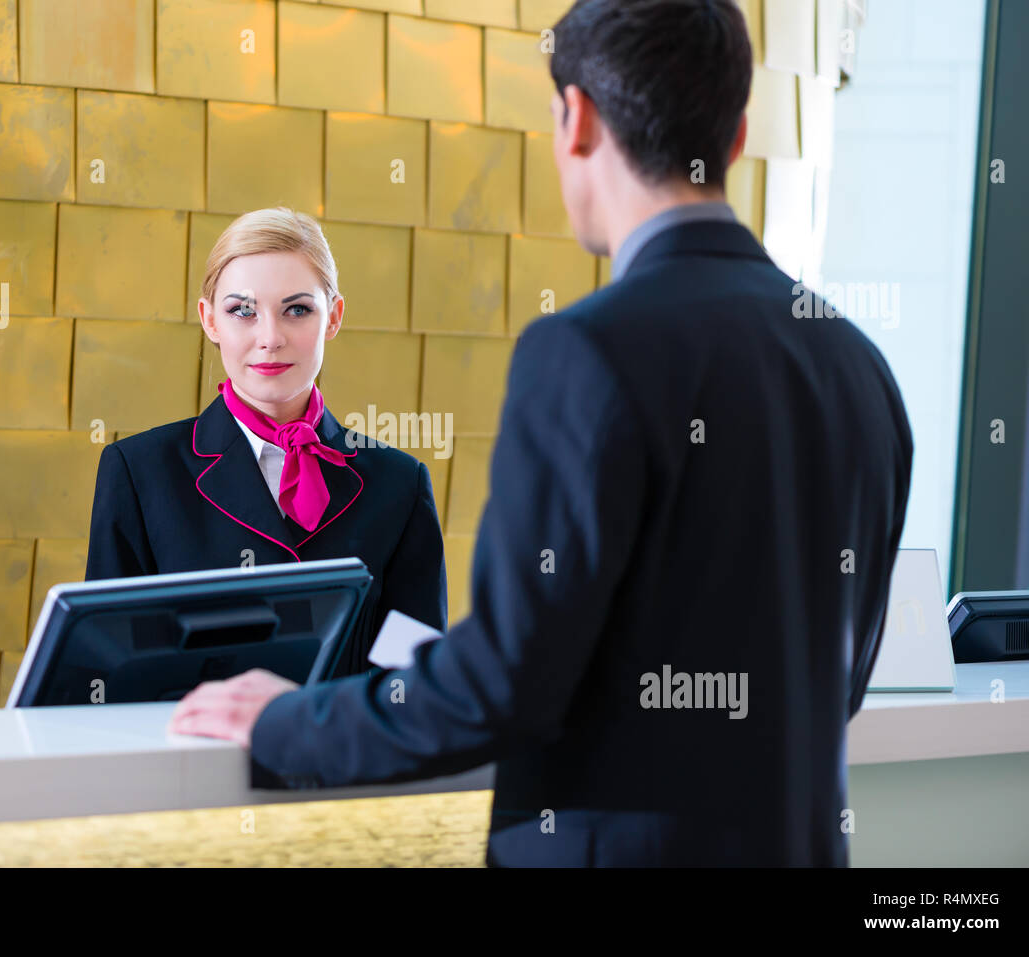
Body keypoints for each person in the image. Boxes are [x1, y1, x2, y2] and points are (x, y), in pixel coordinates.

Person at [168, 0, 914, 867]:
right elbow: (841, 681)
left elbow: (502, 687)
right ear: (740, 134)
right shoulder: (856, 361)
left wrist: (283, 720)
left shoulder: (585, 350)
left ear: (578, 118)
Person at [85, 207, 447, 677]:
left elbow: (411, 675)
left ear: (333, 317)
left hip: (336, 749)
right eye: (242, 311)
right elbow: (109, 668)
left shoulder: (399, 483)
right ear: (210, 320)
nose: (270, 338)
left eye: (296, 310)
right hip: (191, 748)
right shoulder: (139, 471)